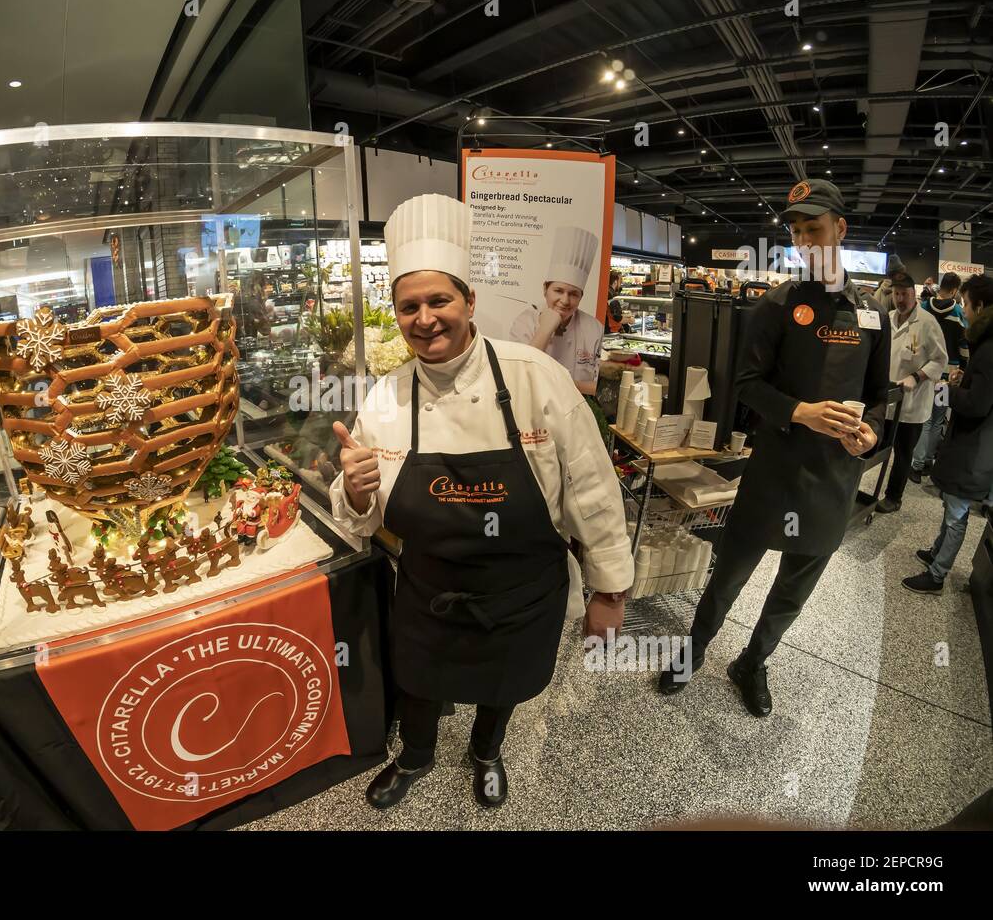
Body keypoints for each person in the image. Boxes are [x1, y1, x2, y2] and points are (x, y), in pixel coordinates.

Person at [329, 194, 632, 809]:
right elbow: (359, 512)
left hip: (522, 589)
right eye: (409, 306)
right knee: (418, 681)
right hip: (429, 587)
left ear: (471, 302)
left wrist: (609, 592)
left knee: (507, 681)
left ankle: (487, 751)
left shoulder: (531, 376)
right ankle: (414, 757)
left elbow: (594, 490)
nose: (425, 318)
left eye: (439, 300)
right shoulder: (385, 399)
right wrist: (355, 492)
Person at [659, 179, 889, 716]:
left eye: (815, 229)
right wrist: (801, 411)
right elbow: (745, 385)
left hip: (834, 478)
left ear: (840, 229)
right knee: (729, 576)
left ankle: (753, 661)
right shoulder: (777, 305)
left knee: (793, 593)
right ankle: (693, 652)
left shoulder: (872, 313)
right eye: (796, 231)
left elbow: (880, 397)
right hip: (775, 471)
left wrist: (872, 431)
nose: (806, 240)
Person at [902, 274, 993, 594]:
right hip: (973, 444)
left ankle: (938, 574)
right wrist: (962, 380)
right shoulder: (985, 346)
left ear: (980, 306)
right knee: (951, 505)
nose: (964, 310)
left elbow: (979, 403)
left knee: (956, 513)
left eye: (967, 305)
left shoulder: (988, 348)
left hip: (976, 448)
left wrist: (944, 390)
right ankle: (936, 553)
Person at [876, 275, 947, 513]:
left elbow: (940, 360)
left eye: (905, 294)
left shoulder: (927, 323)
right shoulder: (888, 319)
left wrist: (916, 377)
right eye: (896, 294)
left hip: (913, 404)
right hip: (887, 399)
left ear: (913, 293)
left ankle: (894, 497)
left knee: (903, 454)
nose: (900, 299)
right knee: (877, 447)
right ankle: (868, 490)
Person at [507, 225, 605, 394]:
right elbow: (519, 374)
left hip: (578, 407)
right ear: (545, 289)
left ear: (581, 296)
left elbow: (603, 388)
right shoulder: (525, 322)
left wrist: (564, 384)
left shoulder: (594, 328)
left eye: (574, 294)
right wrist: (544, 331)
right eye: (558, 291)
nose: (565, 301)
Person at [910, 272, 967, 482]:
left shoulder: (924, 307)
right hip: (946, 375)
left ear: (941, 286)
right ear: (954, 290)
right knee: (937, 418)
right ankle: (926, 462)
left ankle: (915, 466)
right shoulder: (959, 312)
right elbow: (963, 346)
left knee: (924, 417)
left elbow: (914, 337)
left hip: (925, 371)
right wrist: (962, 368)